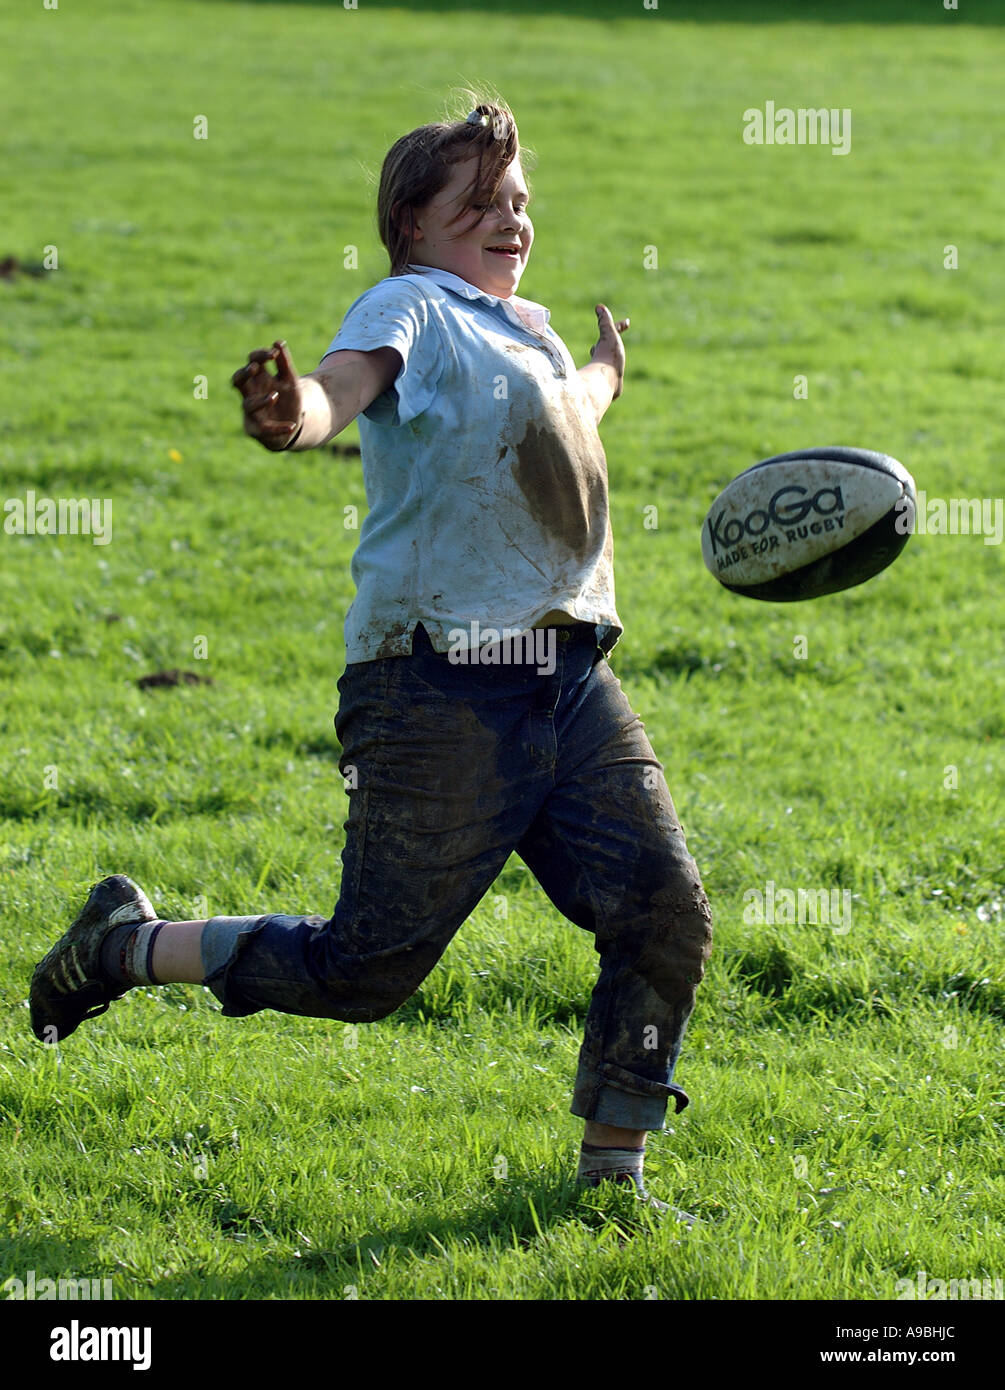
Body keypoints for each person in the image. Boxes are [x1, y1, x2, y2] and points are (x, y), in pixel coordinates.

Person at [30, 96, 713, 1217]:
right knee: (366, 969)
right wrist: (286, 414)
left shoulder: (527, 327)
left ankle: (610, 1181)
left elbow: (564, 414)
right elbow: (338, 391)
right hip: (436, 682)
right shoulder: (411, 306)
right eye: (481, 204)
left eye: (521, 201)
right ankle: (128, 944)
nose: (511, 220)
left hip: (569, 675)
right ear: (412, 224)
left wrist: (601, 375)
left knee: (665, 905)